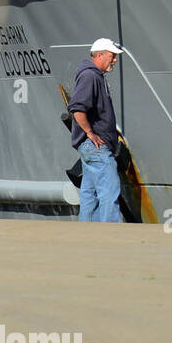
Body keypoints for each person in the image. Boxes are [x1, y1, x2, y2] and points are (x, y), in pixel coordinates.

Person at [67, 38, 124, 224]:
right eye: (111, 56)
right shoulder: (90, 76)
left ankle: (88, 234)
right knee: (110, 189)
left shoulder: (93, 76)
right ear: (99, 55)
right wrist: (90, 134)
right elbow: (77, 108)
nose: (114, 60)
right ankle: (110, 233)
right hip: (96, 147)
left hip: (90, 147)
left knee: (89, 194)